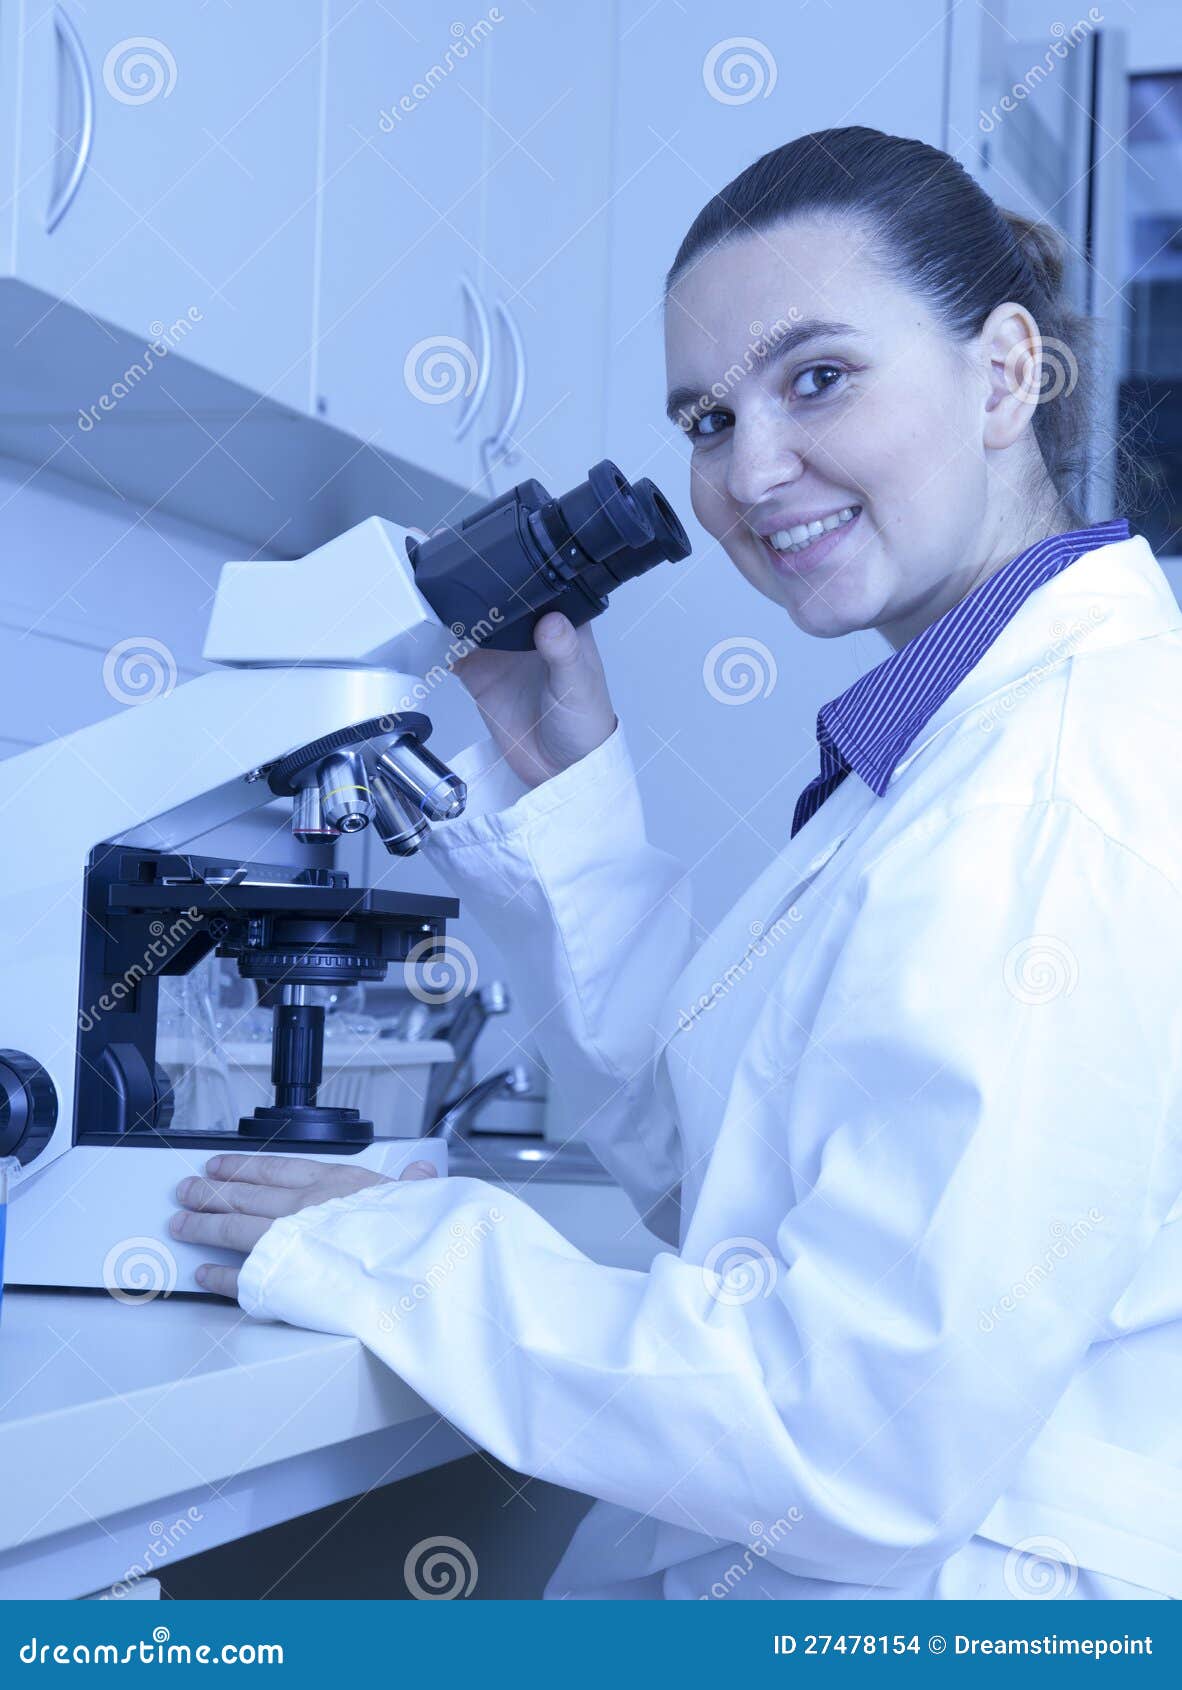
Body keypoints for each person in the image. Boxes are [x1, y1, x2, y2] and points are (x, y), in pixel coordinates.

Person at [171, 127, 1182, 1600]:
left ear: (1003, 373)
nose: (750, 472)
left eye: (816, 377)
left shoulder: (1058, 788)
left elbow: (847, 1441)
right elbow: (728, 1174)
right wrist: (570, 783)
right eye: (706, 419)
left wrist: (405, 1251)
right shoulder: (955, 744)